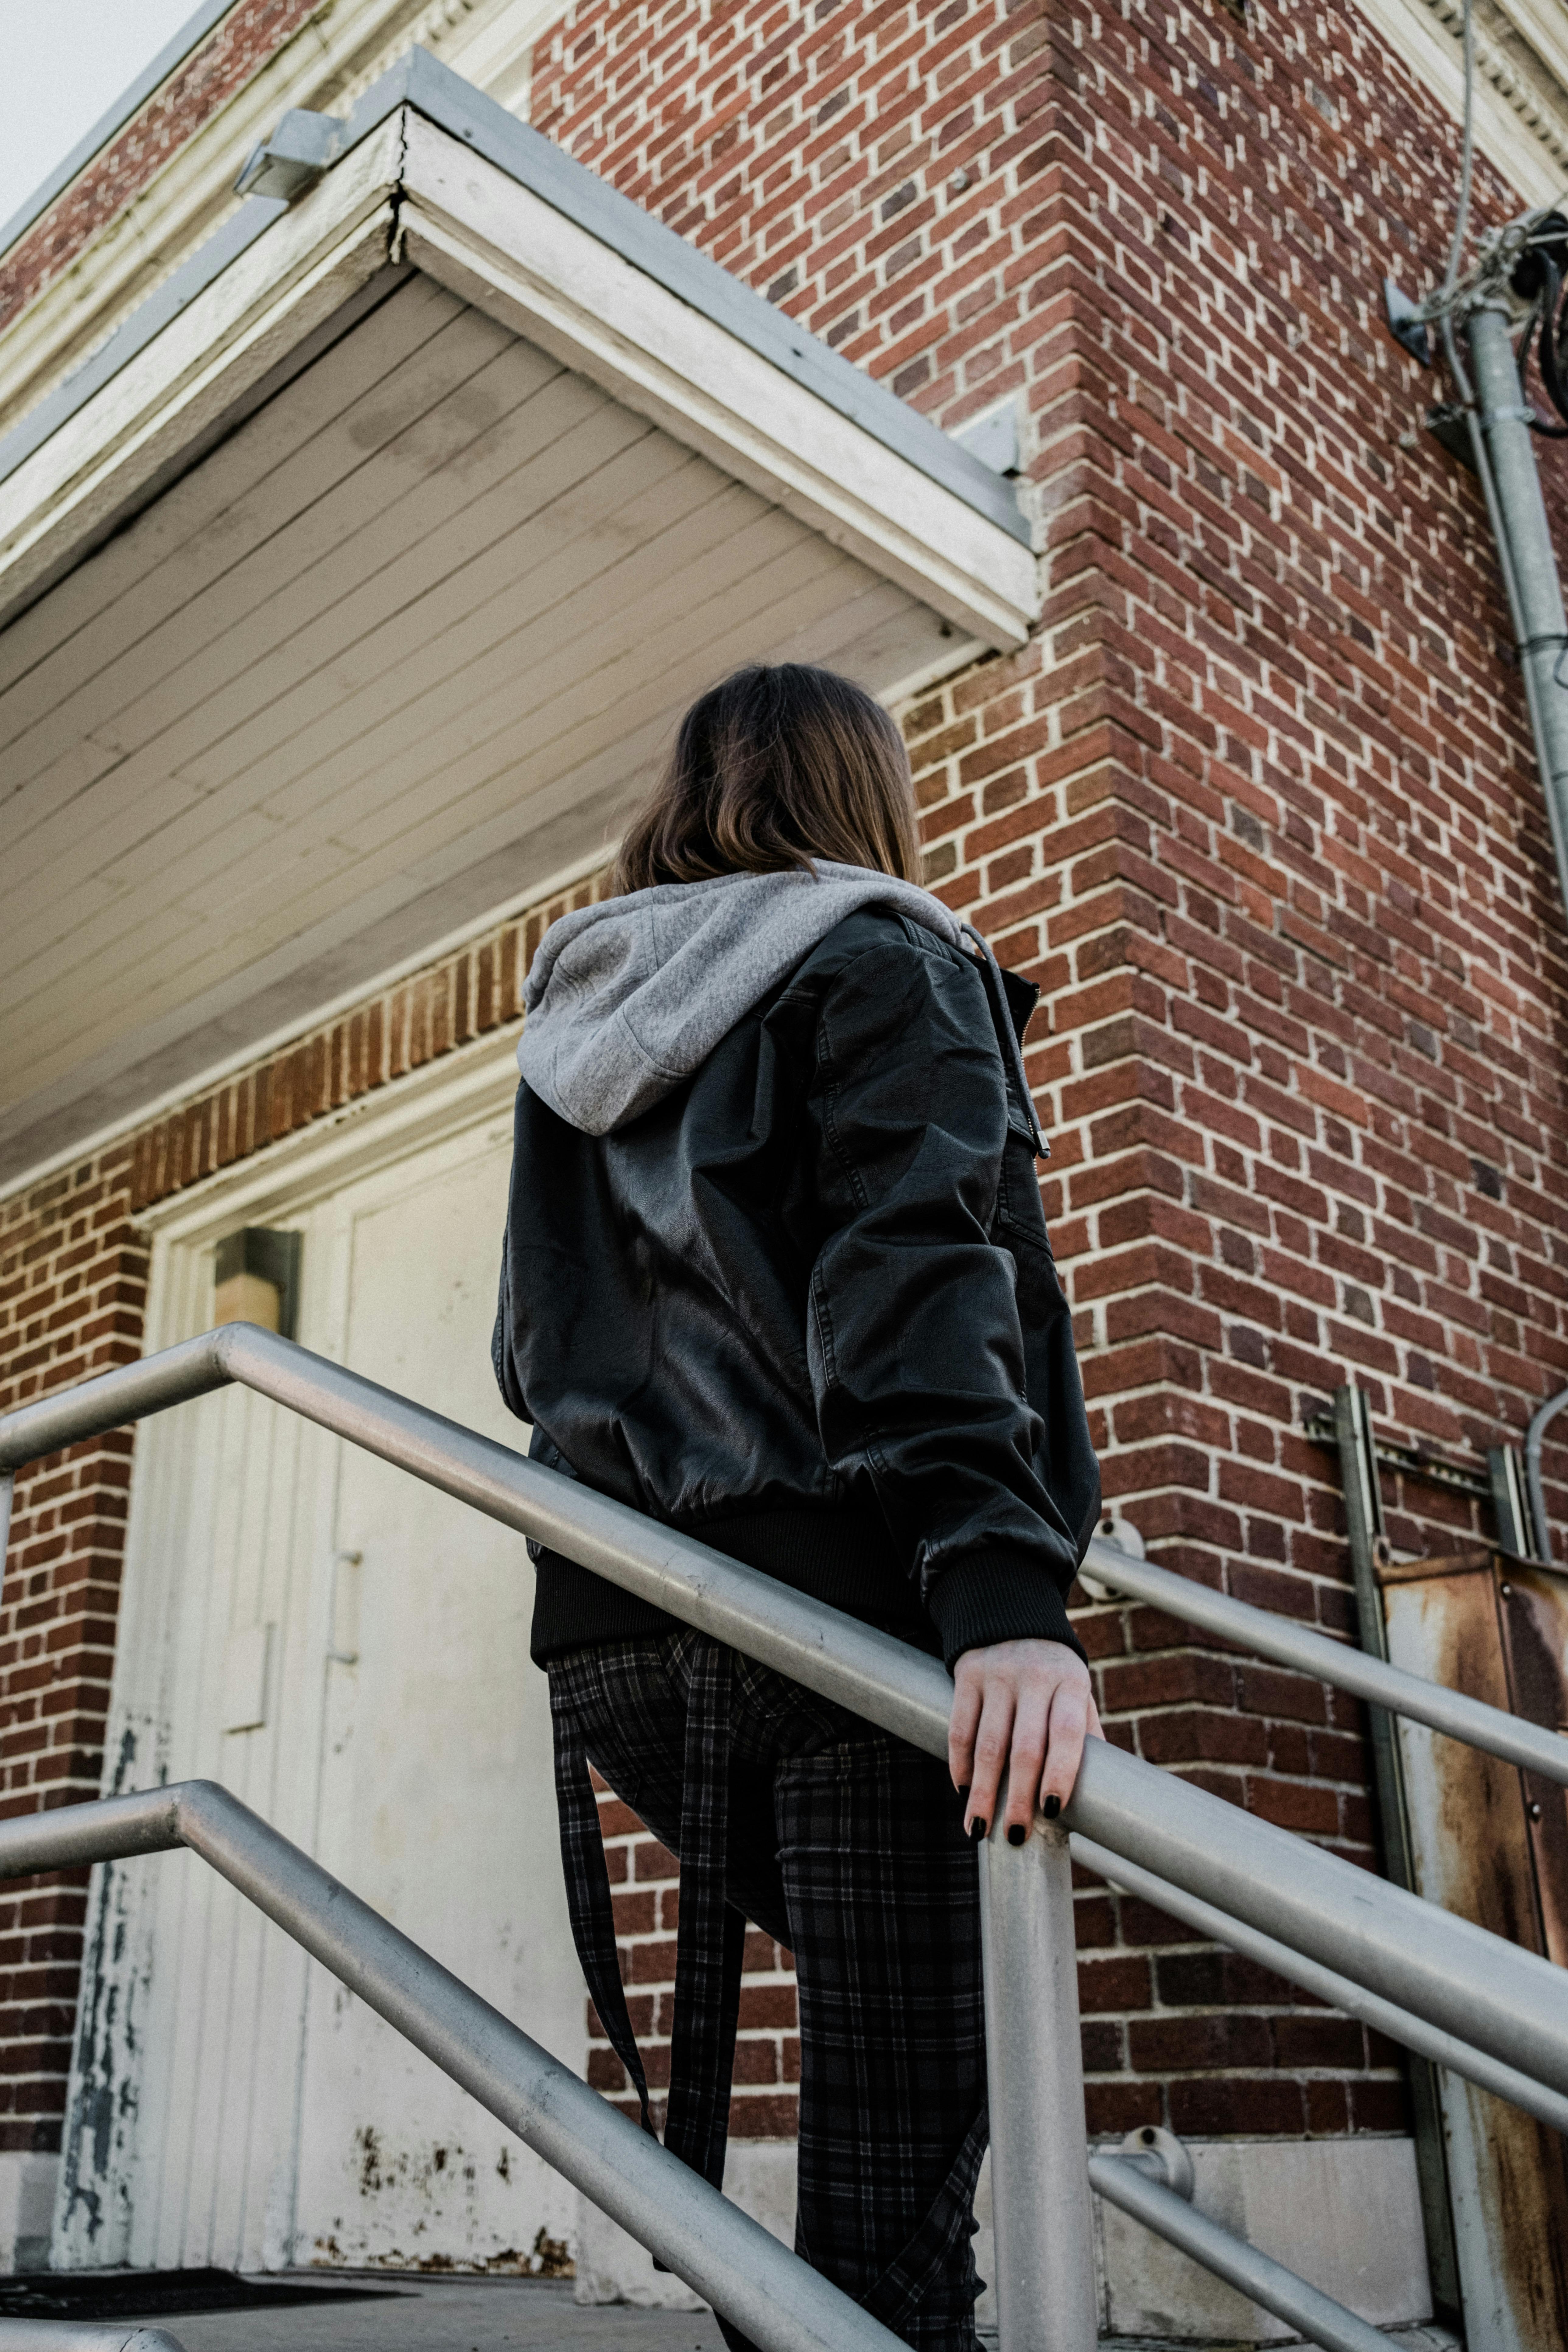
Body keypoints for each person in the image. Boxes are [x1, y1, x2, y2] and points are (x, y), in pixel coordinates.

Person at [493, 662, 1101, 2352]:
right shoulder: (893, 951)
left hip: (623, 1641)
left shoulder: (579, 1015)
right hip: (848, 1632)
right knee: (896, 2203)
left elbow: (528, 1340)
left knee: (889, 2153)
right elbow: (916, 1261)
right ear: (866, 794)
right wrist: (1000, 1586)